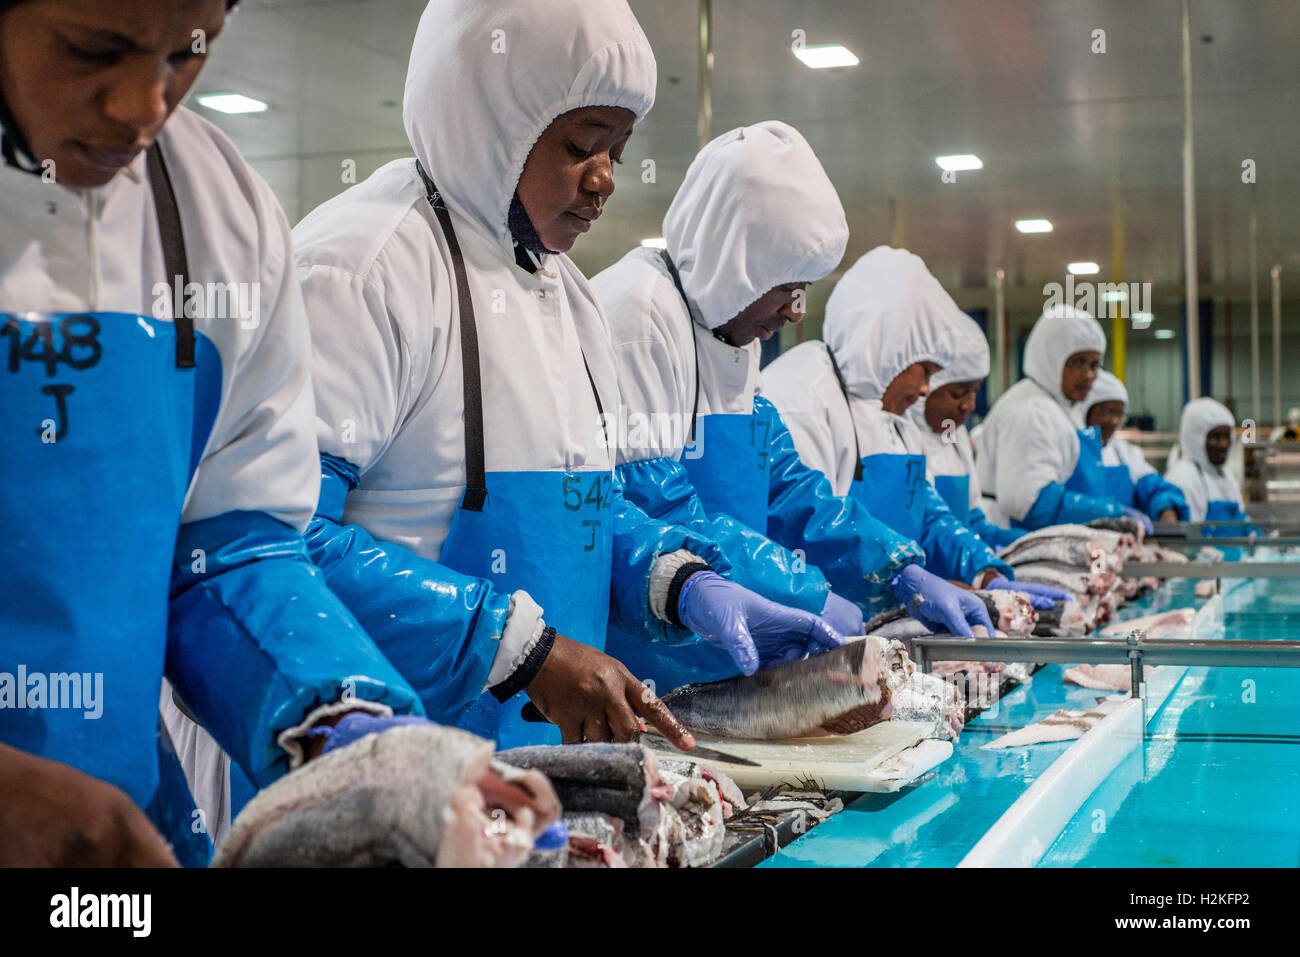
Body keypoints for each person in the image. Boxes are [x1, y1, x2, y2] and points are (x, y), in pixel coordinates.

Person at [0, 0, 552, 866]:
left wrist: (350, 725)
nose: (145, 106)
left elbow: (226, 549)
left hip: (118, 832)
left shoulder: (211, 213)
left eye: (188, 52)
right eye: (93, 50)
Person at [293, 0, 844, 749]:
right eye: (583, 145)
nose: (605, 179)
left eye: (618, 148)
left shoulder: (569, 299)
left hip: (544, 774)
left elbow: (590, 512)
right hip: (394, 766)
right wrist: (518, 650)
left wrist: (682, 583)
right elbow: (287, 541)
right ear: (491, 123)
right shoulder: (364, 268)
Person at [593, 124, 1000, 686]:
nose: (795, 313)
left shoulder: (735, 339)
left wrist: (898, 569)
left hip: (728, 656)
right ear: (737, 265)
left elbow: (787, 488)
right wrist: (808, 591)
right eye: (789, 288)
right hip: (649, 661)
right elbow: (658, 510)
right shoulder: (638, 318)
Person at [764, 247, 1063, 608]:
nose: (925, 390)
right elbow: (806, 523)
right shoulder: (802, 398)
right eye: (925, 370)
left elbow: (930, 516)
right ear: (887, 347)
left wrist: (986, 573)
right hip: (820, 624)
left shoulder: (897, 421)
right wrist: (904, 579)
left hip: (887, 620)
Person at [971, 304, 1147, 531]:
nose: (1089, 376)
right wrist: (1109, 512)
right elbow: (1032, 504)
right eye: (1077, 363)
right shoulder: (1033, 411)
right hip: (1015, 540)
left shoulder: (1061, 407)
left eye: (1095, 365)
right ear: (1050, 359)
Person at [904, 312, 1025, 549]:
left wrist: (1026, 543)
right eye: (958, 393)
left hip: (961, 567)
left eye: (974, 391)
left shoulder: (955, 437)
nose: (968, 405)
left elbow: (972, 522)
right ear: (926, 387)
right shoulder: (902, 439)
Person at [1080, 370, 1188, 525]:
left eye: (1120, 414)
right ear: (1085, 410)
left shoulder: (1124, 453)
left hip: (1123, 544)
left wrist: (1166, 508)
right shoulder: (1072, 450)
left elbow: (1152, 486)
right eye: (1107, 412)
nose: (1115, 421)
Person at [1166, 398, 1256, 536]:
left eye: (1227, 436)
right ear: (1195, 438)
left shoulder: (1225, 475)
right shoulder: (1183, 478)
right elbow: (1189, 538)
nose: (1223, 444)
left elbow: (1242, 520)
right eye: (1215, 437)